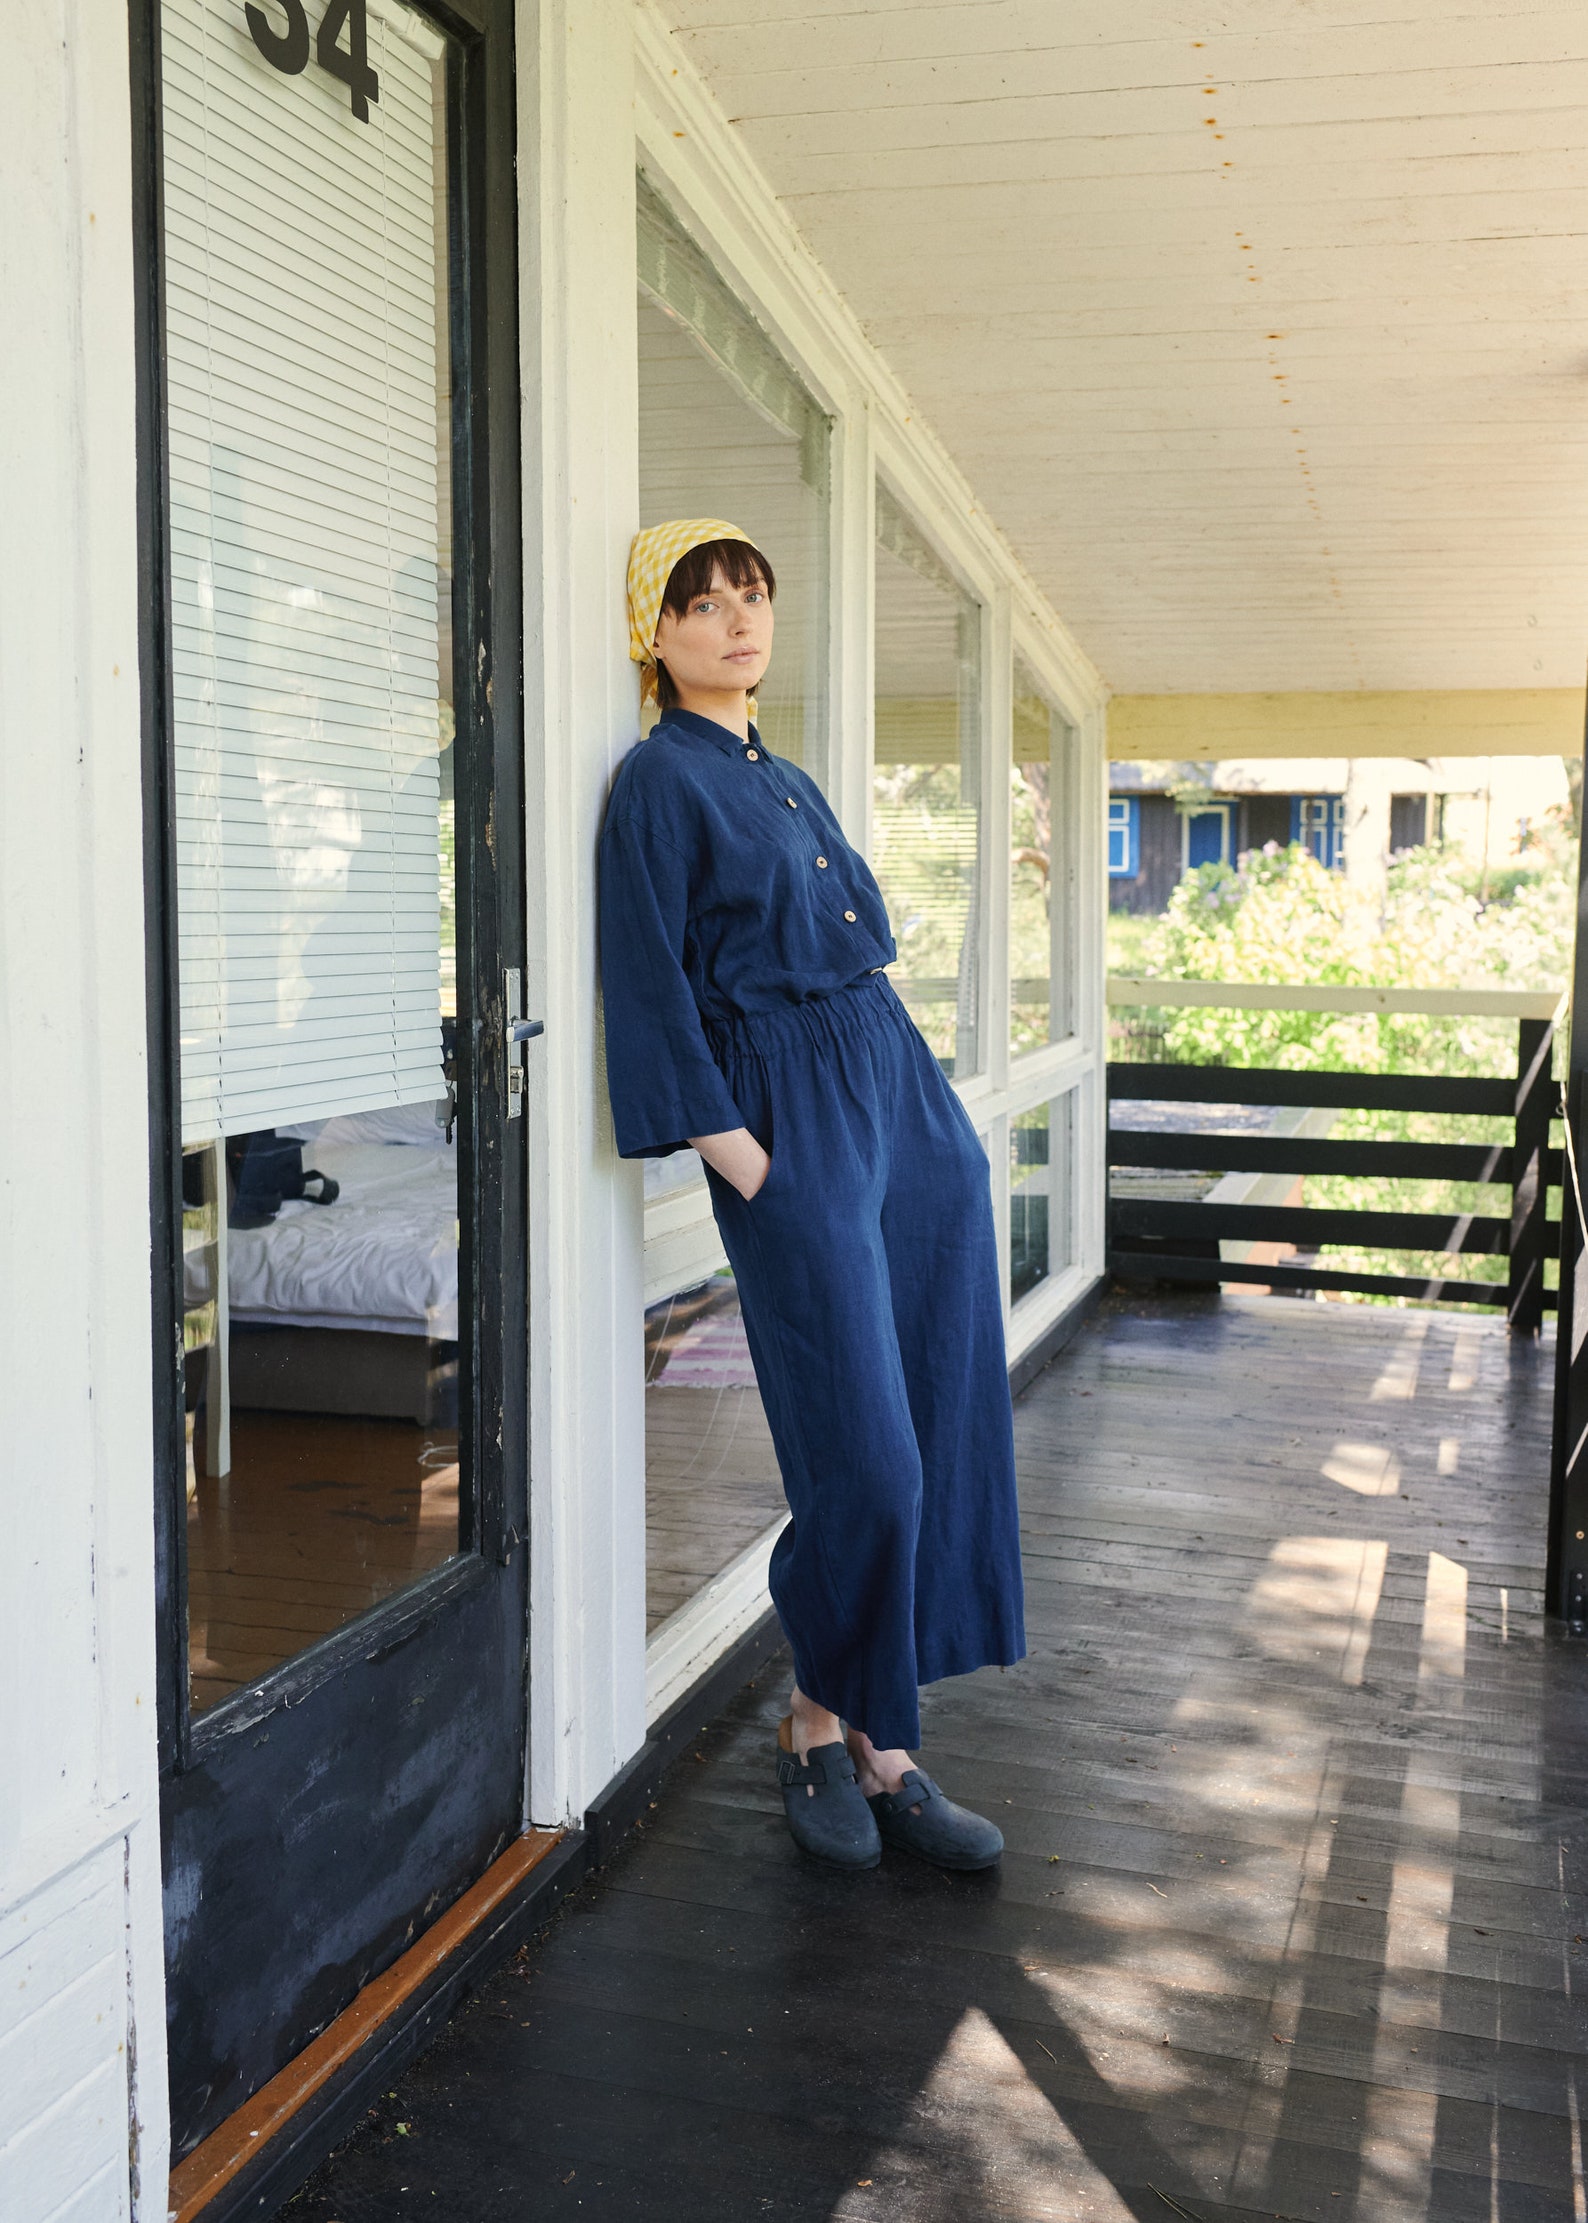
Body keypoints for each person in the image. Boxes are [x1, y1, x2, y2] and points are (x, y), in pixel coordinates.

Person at [599, 517, 1024, 1872]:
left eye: (754, 597)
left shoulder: (779, 775)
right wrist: (756, 1171)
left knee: (946, 1418)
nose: (738, 620)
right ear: (653, 634)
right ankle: (816, 1722)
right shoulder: (657, 785)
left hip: (898, 1105)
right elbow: (651, 996)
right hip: (794, 1132)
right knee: (871, 1462)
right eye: (704, 603)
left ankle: (874, 1742)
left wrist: (936, 1137)